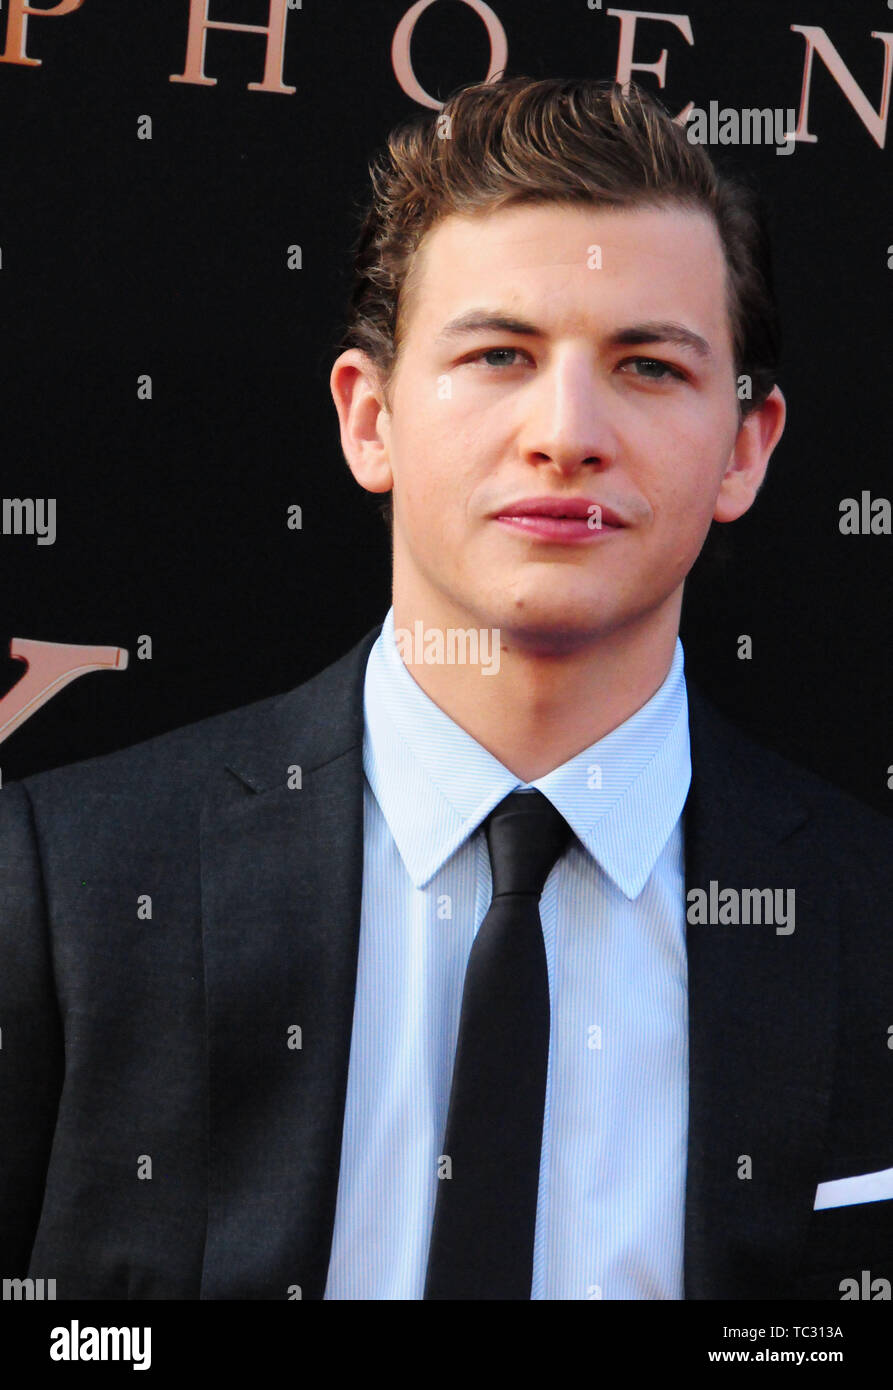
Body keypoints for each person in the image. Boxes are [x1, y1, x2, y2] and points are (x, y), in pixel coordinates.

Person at [1, 76, 891, 1302]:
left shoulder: (867, 919)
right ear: (369, 419)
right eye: (497, 354)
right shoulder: (71, 887)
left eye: (645, 366)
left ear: (744, 445)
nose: (564, 431)